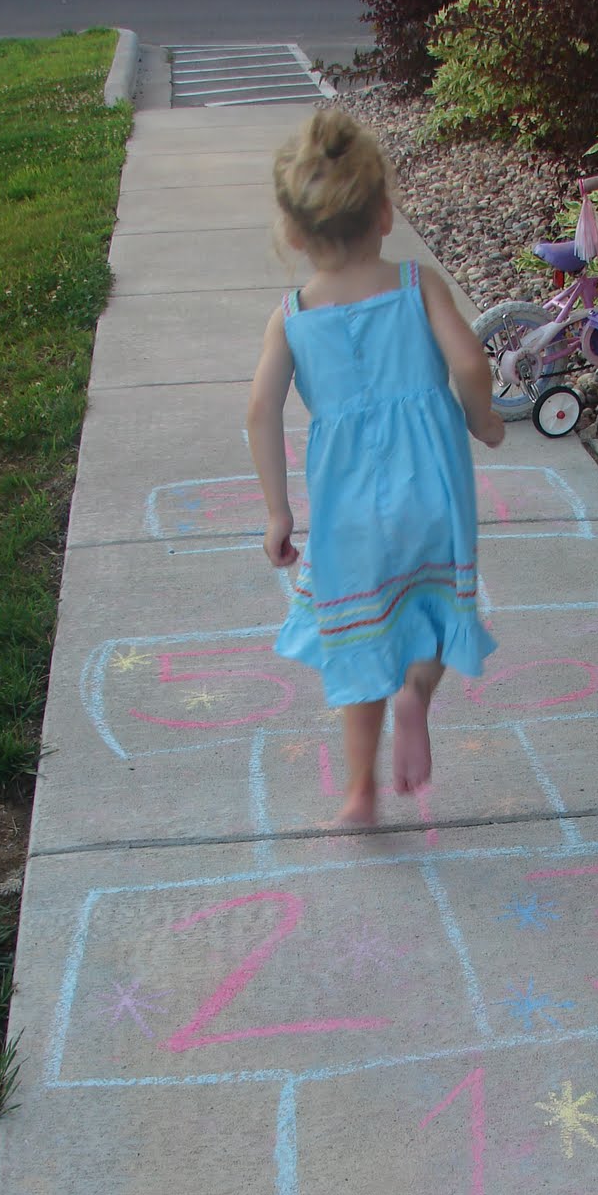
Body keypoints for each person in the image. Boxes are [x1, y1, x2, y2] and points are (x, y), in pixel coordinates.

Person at [247, 109, 503, 826]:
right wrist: (482, 419)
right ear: (385, 213)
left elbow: (260, 410)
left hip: (347, 508)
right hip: (432, 489)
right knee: (435, 606)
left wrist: (277, 510)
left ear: (294, 235)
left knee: (359, 639)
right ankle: (416, 691)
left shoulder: (292, 316)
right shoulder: (418, 285)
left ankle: (360, 792)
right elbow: (470, 361)